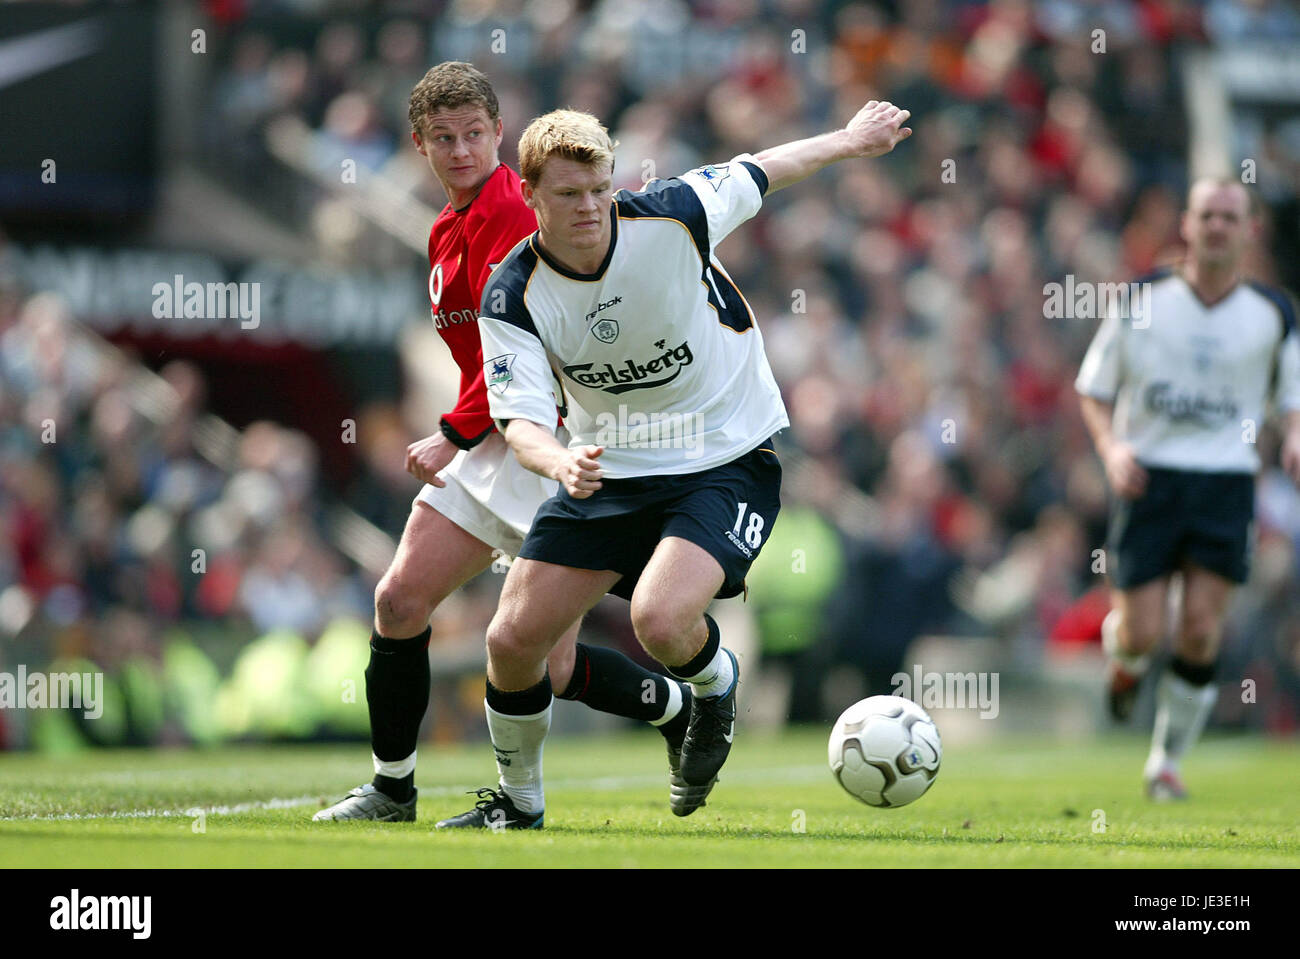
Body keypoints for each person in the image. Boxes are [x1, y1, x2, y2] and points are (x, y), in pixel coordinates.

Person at [435, 101, 912, 829]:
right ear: (530, 195)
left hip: (725, 453)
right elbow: (520, 420)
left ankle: (715, 691)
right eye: (567, 194)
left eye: (598, 188)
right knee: (511, 640)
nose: (590, 207)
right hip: (605, 467)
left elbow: (767, 167)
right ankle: (520, 805)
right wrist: (559, 461)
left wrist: (850, 141)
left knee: (660, 618)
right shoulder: (512, 292)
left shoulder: (672, 212)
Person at [314, 63, 694, 822]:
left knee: (540, 663)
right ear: (420, 146)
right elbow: (476, 356)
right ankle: (393, 788)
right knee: (398, 598)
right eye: (444, 139)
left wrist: (451, 433)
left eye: (475, 135)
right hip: (490, 440)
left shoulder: (518, 218)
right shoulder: (442, 229)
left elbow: (524, 348)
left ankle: (670, 705)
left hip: (547, 441)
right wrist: (461, 430)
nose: (461, 151)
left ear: (499, 135)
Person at [1076, 177, 1300, 800]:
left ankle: (1165, 765)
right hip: (1150, 477)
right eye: (1208, 216)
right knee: (1142, 631)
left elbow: (1291, 396)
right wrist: (1111, 448)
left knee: (1201, 628)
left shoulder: (1272, 313)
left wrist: (1294, 437)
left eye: (1231, 217)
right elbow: (1093, 387)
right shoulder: (1142, 298)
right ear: (1186, 224)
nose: (1218, 227)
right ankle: (1124, 665)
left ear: (1250, 228)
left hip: (1226, 483)